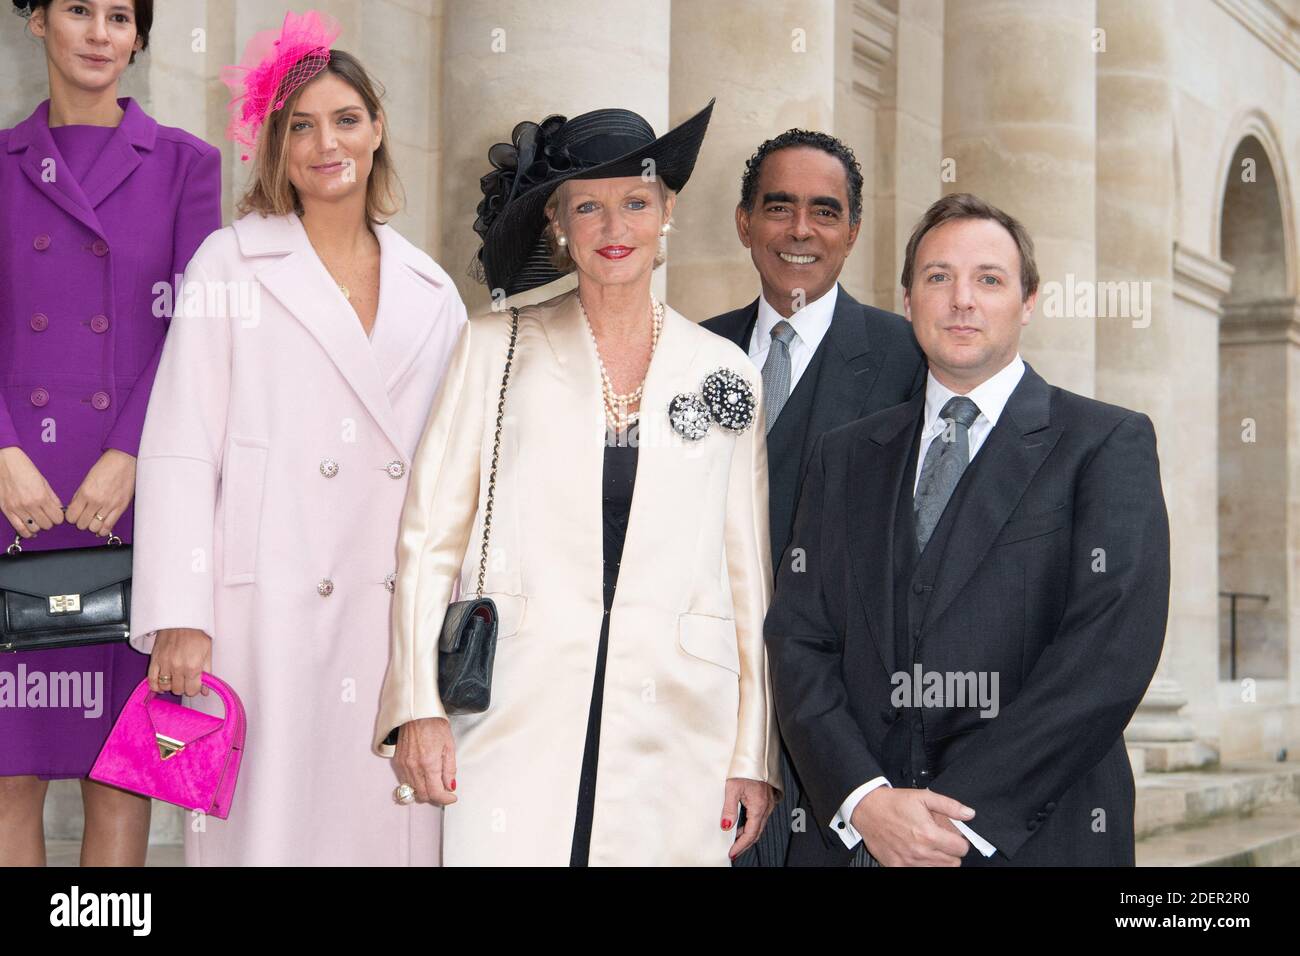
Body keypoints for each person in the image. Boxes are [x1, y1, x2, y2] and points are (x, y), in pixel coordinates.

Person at [375, 100, 782, 866]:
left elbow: (746, 581)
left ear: (667, 212)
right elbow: (428, 540)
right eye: (587, 207)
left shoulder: (724, 374)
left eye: (635, 201)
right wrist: (417, 707)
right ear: (558, 226)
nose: (613, 226)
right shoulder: (494, 347)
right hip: (512, 713)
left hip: (679, 724)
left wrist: (751, 751)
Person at [128, 10, 463, 865]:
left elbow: (456, 474)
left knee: (383, 835)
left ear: (378, 130)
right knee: (267, 834)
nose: (327, 142)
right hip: (261, 612)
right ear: (274, 144)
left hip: (390, 622)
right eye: (301, 125)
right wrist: (178, 613)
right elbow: (178, 447)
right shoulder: (228, 264)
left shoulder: (433, 291)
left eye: (346, 119)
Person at [766, 192, 1170, 866]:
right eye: (938, 277)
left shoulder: (1105, 444)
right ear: (907, 300)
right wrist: (865, 798)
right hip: (860, 842)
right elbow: (799, 637)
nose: (962, 300)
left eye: (988, 279)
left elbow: (1108, 654)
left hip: (1033, 838)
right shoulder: (842, 455)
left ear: (1029, 300)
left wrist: (954, 820)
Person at [0, 0, 220, 867]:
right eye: (79, 10)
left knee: (120, 773)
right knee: (9, 774)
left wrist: (132, 453)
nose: (99, 32)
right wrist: (2, 451)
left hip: (133, 501)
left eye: (120, 15)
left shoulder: (185, 167)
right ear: (36, 23)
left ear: (138, 37)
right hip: (12, 497)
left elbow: (195, 333)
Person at [703, 129, 924, 866]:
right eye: (779, 207)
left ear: (853, 231)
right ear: (744, 222)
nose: (801, 230)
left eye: (825, 211)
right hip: (710, 725)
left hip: (851, 738)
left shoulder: (910, 359)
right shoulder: (692, 355)